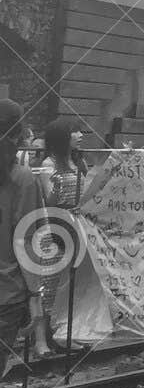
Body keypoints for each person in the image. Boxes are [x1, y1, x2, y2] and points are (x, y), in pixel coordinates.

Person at [0, 100, 47, 386]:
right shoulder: (22, 179)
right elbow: (26, 241)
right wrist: (35, 294)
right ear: (18, 135)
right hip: (7, 292)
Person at [34, 117, 88, 355]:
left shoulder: (76, 162)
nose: (80, 136)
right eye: (74, 132)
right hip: (53, 229)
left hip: (74, 227)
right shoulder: (48, 164)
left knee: (68, 285)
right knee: (48, 285)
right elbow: (49, 199)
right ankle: (41, 339)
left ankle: (62, 332)